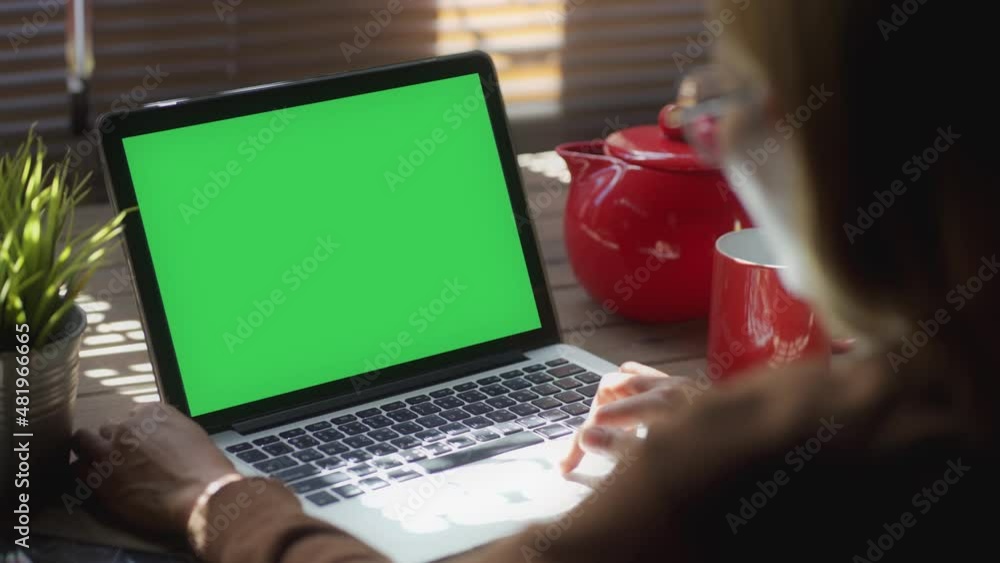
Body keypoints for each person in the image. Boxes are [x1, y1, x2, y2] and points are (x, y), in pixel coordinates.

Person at [73, 1, 997, 561]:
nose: (725, 142)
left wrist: (216, 500)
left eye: (730, 109)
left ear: (849, 147)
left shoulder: (782, 453)